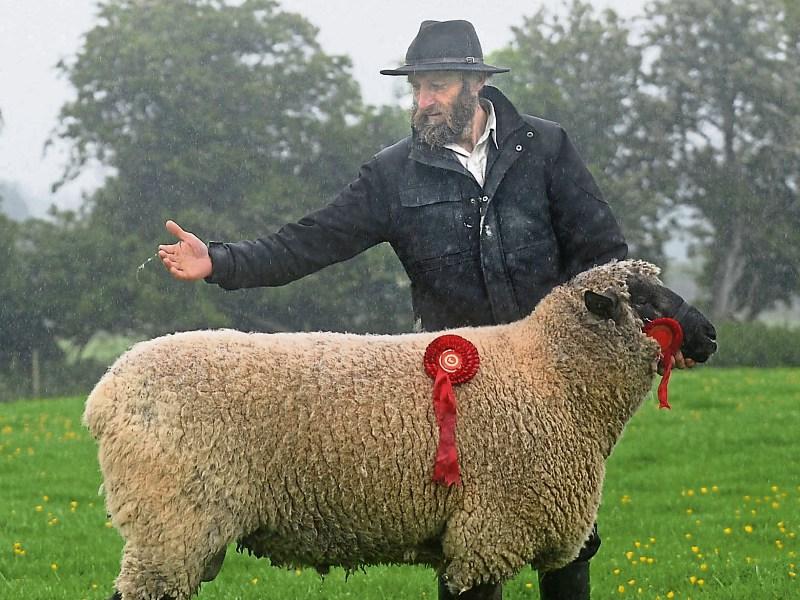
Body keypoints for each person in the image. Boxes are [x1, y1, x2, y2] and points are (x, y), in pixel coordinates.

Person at [159, 18, 645, 600]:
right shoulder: (393, 174)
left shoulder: (545, 148)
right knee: (466, 538)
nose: (423, 102)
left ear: (476, 84)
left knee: (568, 532)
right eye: (416, 89)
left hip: (547, 386)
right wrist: (220, 261)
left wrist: (643, 335)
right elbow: (311, 241)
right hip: (455, 388)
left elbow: (603, 255)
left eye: (436, 86)